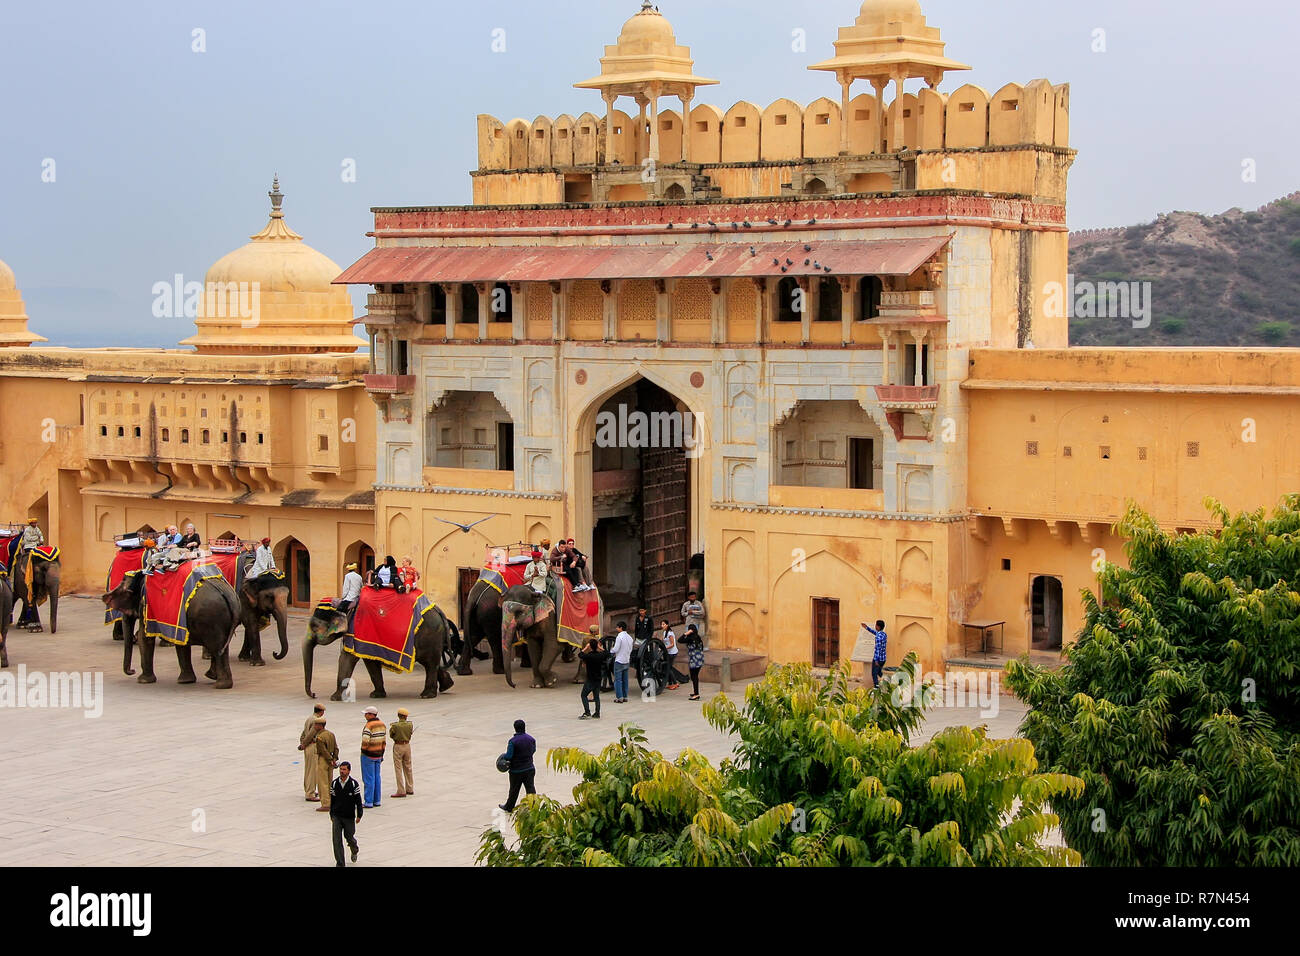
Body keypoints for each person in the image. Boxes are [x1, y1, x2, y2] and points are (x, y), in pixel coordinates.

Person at [329, 761, 364, 867]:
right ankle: (340, 863)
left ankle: (354, 849)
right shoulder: (334, 784)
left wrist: (359, 815)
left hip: (349, 816)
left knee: (349, 837)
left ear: (349, 771)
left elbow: (358, 800)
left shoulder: (353, 784)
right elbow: (333, 800)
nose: (342, 771)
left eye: (344, 769)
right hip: (337, 816)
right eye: (341, 769)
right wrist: (331, 814)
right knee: (336, 840)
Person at [498, 719, 537, 813]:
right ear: (524, 727)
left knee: (514, 790)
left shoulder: (513, 741)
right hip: (529, 768)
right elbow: (533, 750)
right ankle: (533, 806)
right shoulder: (531, 739)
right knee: (530, 788)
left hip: (517, 770)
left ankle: (509, 807)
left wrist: (503, 756)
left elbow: (509, 756)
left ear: (515, 729)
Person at [298, 704, 326, 802]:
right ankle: (310, 793)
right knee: (312, 771)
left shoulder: (309, 718)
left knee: (308, 769)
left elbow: (304, 733)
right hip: (312, 746)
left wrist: (302, 743)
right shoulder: (316, 721)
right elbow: (310, 734)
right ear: (321, 711)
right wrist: (304, 744)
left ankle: (309, 789)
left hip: (307, 746)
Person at [360, 706, 387, 809]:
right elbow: (384, 741)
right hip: (378, 754)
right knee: (377, 777)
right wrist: (382, 753)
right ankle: (377, 800)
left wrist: (363, 751)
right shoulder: (382, 725)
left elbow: (365, 741)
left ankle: (368, 801)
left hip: (368, 755)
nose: (365, 715)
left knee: (368, 778)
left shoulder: (369, 726)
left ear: (371, 715)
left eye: (366, 713)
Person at [578, 637, 611, 719]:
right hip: (598, 679)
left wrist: (585, 648)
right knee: (596, 697)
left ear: (590, 647)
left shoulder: (589, 656)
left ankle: (587, 712)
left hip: (590, 679)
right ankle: (597, 713)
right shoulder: (600, 655)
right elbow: (607, 653)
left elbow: (580, 654)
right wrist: (599, 647)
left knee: (583, 695)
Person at [313, 717, 339, 813]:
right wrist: (334, 759)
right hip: (331, 760)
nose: (315, 726)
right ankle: (331, 801)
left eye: (316, 725)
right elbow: (336, 748)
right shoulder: (330, 734)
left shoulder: (320, 737)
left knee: (322, 783)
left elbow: (323, 751)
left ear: (320, 726)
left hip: (324, 760)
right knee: (329, 782)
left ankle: (325, 804)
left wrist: (329, 759)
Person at [389, 707, 415, 798]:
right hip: (407, 745)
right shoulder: (410, 724)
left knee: (398, 768)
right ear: (406, 716)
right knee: (408, 767)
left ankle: (401, 790)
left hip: (398, 746)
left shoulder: (395, 726)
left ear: (398, 716)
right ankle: (410, 788)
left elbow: (391, 735)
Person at [610, 622, 633, 704]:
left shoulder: (619, 637)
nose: (616, 629)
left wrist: (611, 651)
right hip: (626, 660)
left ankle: (619, 697)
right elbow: (630, 649)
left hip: (619, 660)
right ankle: (625, 696)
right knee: (625, 679)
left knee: (618, 680)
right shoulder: (630, 638)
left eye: (617, 627)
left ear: (620, 628)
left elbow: (616, 649)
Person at [682, 624, 705, 700]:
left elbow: (680, 640)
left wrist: (686, 633)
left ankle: (696, 694)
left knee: (694, 676)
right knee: (695, 676)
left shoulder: (690, 638)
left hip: (694, 659)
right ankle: (696, 692)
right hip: (700, 658)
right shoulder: (698, 637)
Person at [862, 619, 888, 688]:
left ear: (878, 627)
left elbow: (878, 648)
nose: (875, 626)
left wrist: (876, 660)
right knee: (879, 672)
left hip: (878, 659)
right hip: (883, 658)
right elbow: (875, 632)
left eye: (876, 625)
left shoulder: (878, 637)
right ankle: (887, 681)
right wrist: (867, 628)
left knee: (874, 673)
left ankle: (876, 688)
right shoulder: (883, 634)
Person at [662, 619, 686, 691]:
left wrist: (664, 648)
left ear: (667, 625)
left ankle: (675, 683)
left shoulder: (670, 633)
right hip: (667, 652)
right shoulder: (664, 632)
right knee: (668, 667)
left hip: (672, 653)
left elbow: (672, 644)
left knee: (668, 668)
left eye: (664, 624)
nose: (662, 626)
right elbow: (662, 640)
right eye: (662, 624)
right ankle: (670, 683)